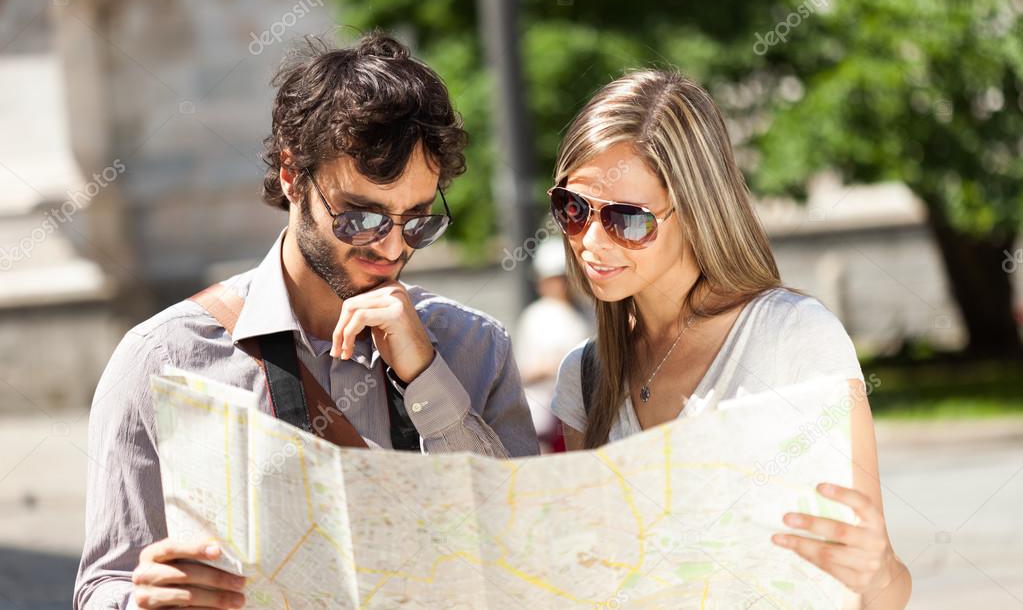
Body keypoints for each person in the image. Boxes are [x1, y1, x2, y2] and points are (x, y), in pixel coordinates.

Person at [73, 32, 538, 610]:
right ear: (293, 176)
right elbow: (103, 584)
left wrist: (428, 380)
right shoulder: (160, 357)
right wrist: (144, 600)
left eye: (417, 220)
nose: (392, 247)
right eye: (360, 217)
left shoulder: (476, 347)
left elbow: (524, 567)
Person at [549, 69, 912, 608]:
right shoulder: (585, 375)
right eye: (573, 210)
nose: (592, 242)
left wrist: (877, 573)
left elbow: (879, 589)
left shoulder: (794, 339)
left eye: (627, 219)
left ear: (695, 211)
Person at [514, 237, 592, 451]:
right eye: (554, 278)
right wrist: (558, 366)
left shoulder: (587, 313)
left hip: (583, 407)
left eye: (563, 278)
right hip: (544, 416)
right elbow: (523, 371)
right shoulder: (535, 316)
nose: (561, 284)